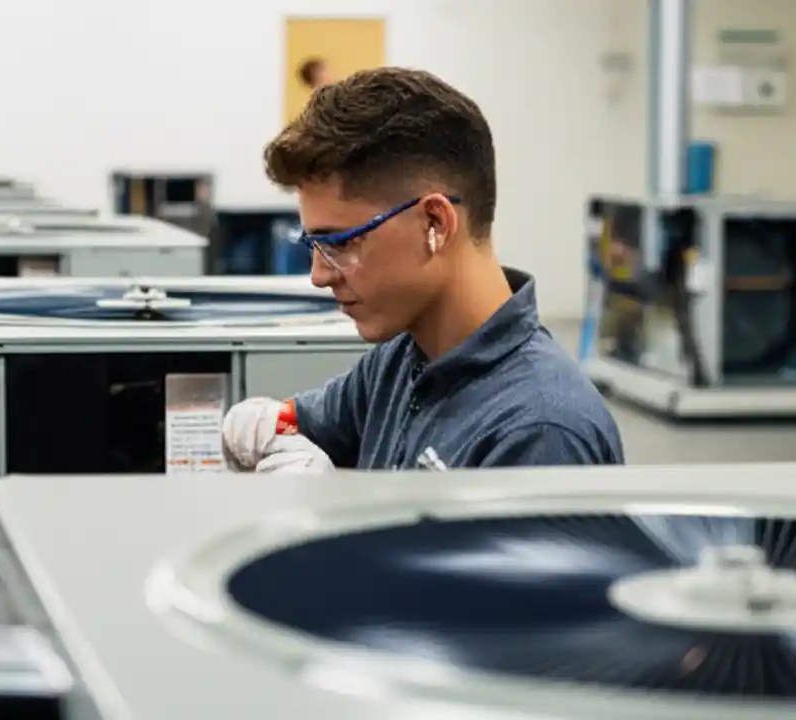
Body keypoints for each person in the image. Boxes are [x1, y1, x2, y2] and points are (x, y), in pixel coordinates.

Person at [223, 67, 624, 472]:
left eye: (340, 243)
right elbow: (302, 420)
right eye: (314, 245)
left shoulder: (540, 432)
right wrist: (266, 425)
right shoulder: (402, 361)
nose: (319, 275)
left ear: (435, 223)